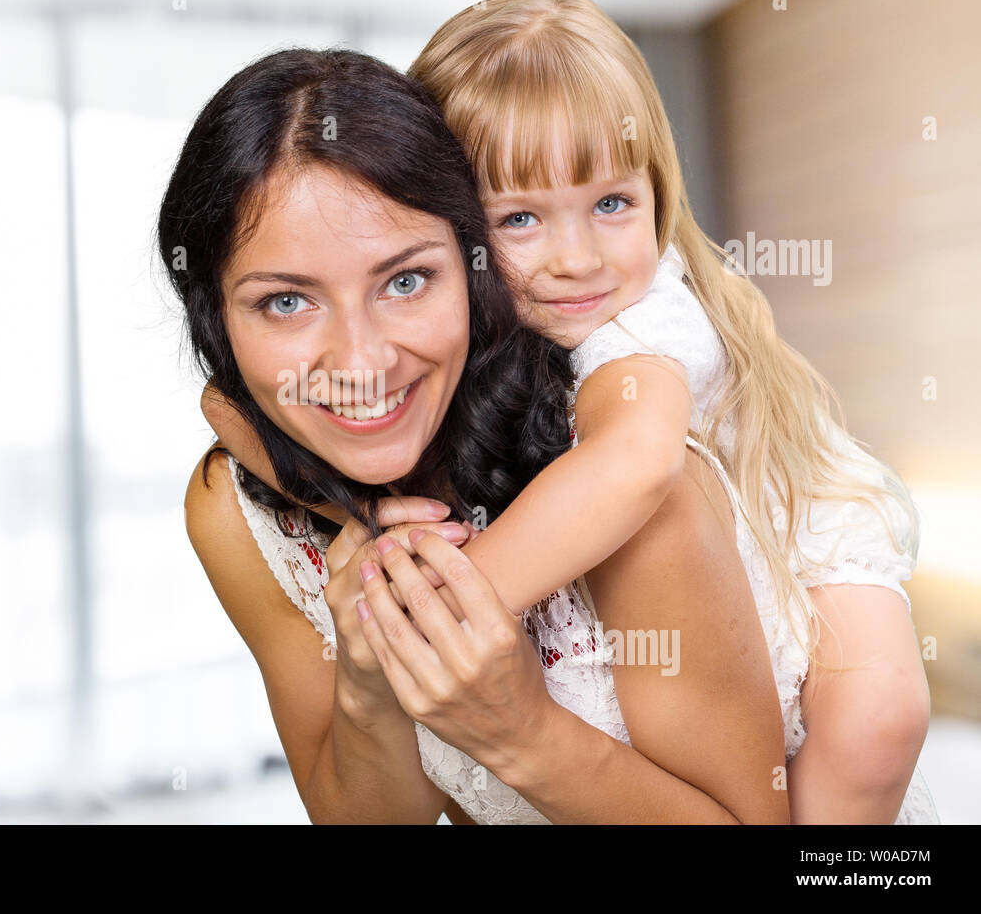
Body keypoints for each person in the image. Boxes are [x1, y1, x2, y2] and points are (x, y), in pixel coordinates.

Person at [165, 47, 792, 824]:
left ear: (477, 267)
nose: (361, 361)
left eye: (406, 281)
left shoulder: (622, 488)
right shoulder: (235, 506)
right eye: (287, 303)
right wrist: (369, 688)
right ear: (215, 319)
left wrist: (523, 732)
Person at [397, 0, 935, 824]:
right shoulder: (485, 345)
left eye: (611, 204)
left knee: (878, 721)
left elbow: (634, 464)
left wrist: (461, 600)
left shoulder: (647, 323)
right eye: (522, 218)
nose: (578, 258)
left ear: (657, 194)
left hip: (814, 527)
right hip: (743, 544)